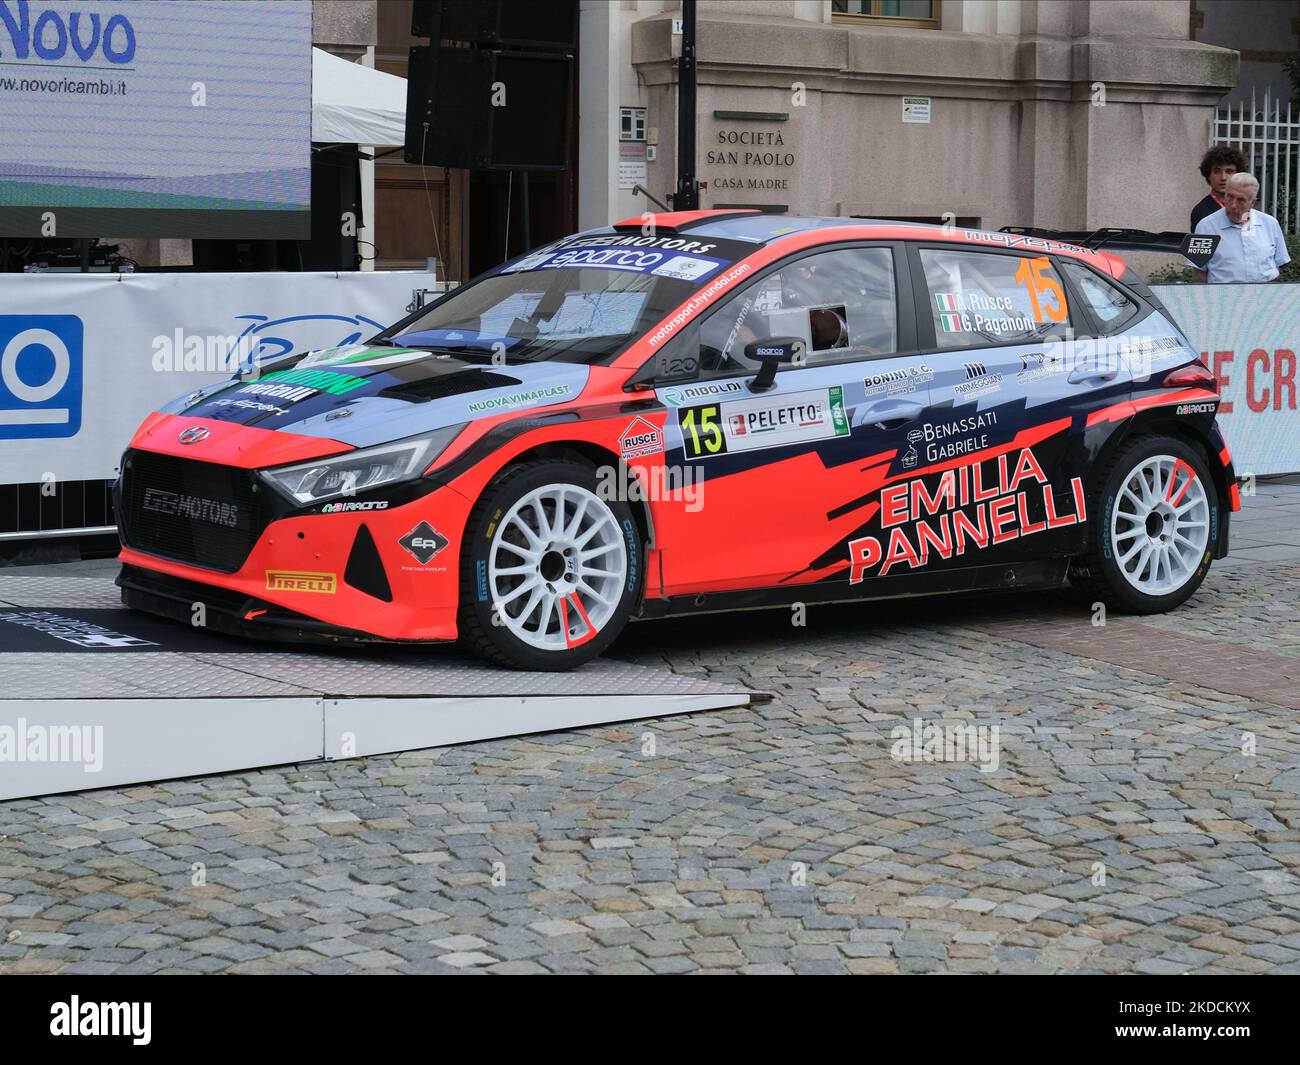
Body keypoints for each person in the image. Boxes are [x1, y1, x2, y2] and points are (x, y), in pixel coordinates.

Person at [1192, 172, 1291, 284]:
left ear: (1252, 203)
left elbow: (1278, 266)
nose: (1233, 205)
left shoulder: (1270, 224)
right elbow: (1199, 274)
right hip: (1222, 297)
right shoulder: (1205, 226)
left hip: (1264, 297)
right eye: (1230, 197)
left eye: (1241, 200)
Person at [1190, 145, 1246, 231]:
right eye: (1217, 171)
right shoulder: (1201, 211)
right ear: (1208, 176)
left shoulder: (1246, 207)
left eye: (1229, 171)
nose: (1223, 177)